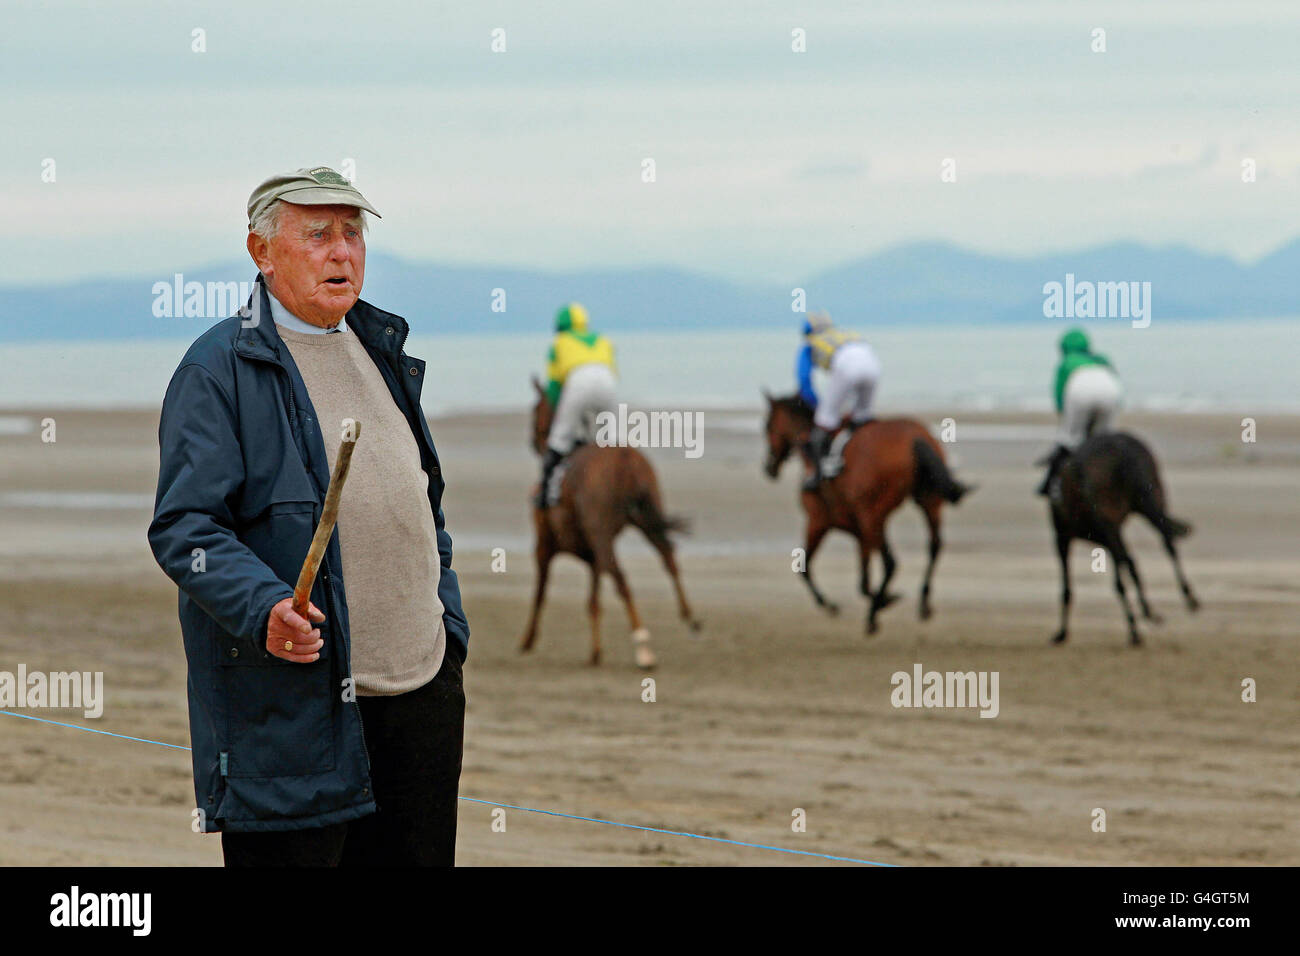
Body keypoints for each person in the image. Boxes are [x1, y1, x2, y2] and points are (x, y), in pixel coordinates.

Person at [148, 166, 469, 866]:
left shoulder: (381, 349)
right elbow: (186, 528)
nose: (342, 252)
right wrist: (264, 607)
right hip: (294, 708)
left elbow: (421, 502)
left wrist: (448, 624)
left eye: (353, 235)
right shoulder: (218, 369)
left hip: (419, 695)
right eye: (318, 235)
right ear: (261, 253)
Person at [536, 302, 617, 508]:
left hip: (578, 383)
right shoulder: (602, 340)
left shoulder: (559, 343)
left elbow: (554, 385)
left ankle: (546, 495)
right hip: (608, 383)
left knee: (560, 439)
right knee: (610, 440)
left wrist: (556, 408)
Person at [796, 311, 882, 491]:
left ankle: (818, 474)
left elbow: (804, 381)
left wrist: (816, 404)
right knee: (862, 417)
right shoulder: (846, 334)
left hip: (846, 367)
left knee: (824, 419)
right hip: (873, 365)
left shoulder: (810, 345)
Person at [1036, 327, 1123, 497]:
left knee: (1069, 437)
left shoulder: (1068, 362)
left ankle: (1051, 485)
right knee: (1103, 439)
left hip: (1079, 389)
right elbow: (1115, 380)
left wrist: (1064, 415)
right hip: (1111, 391)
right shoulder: (1101, 359)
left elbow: (1060, 391)